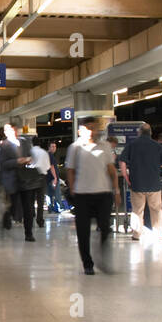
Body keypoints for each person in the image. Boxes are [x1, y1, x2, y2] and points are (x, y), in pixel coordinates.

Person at [64, 117, 121, 275]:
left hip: (103, 194)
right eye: (88, 128)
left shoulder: (105, 146)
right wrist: (73, 189)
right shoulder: (75, 148)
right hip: (82, 195)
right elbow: (70, 170)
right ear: (80, 130)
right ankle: (87, 263)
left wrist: (116, 190)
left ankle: (102, 259)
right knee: (83, 232)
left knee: (105, 228)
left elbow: (111, 170)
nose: (92, 131)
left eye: (94, 128)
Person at [120, 123, 162, 241]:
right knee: (156, 209)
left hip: (137, 183)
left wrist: (126, 176)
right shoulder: (158, 146)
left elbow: (122, 162)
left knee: (137, 210)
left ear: (139, 132)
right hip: (154, 183)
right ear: (151, 133)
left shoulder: (132, 145)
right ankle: (158, 233)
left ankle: (137, 234)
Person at [0, 123, 22, 231]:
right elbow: (3, 164)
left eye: (14, 130)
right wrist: (18, 161)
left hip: (19, 178)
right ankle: (7, 220)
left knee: (15, 202)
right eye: (10, 130)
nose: (14, 132)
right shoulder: (5, 145)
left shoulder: (19, 143)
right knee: (10, 202)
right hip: (9, 179)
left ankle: (12, 218)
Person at [28, 138, 52, 230]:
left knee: (30, 199)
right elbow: (48, 167)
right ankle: (40, 220)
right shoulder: (44, 152)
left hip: (31, 177)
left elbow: (27, 164)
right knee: (40, 200)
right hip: (42, 177)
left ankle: (31, 217)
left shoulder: (29, 152)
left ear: (32, 143)